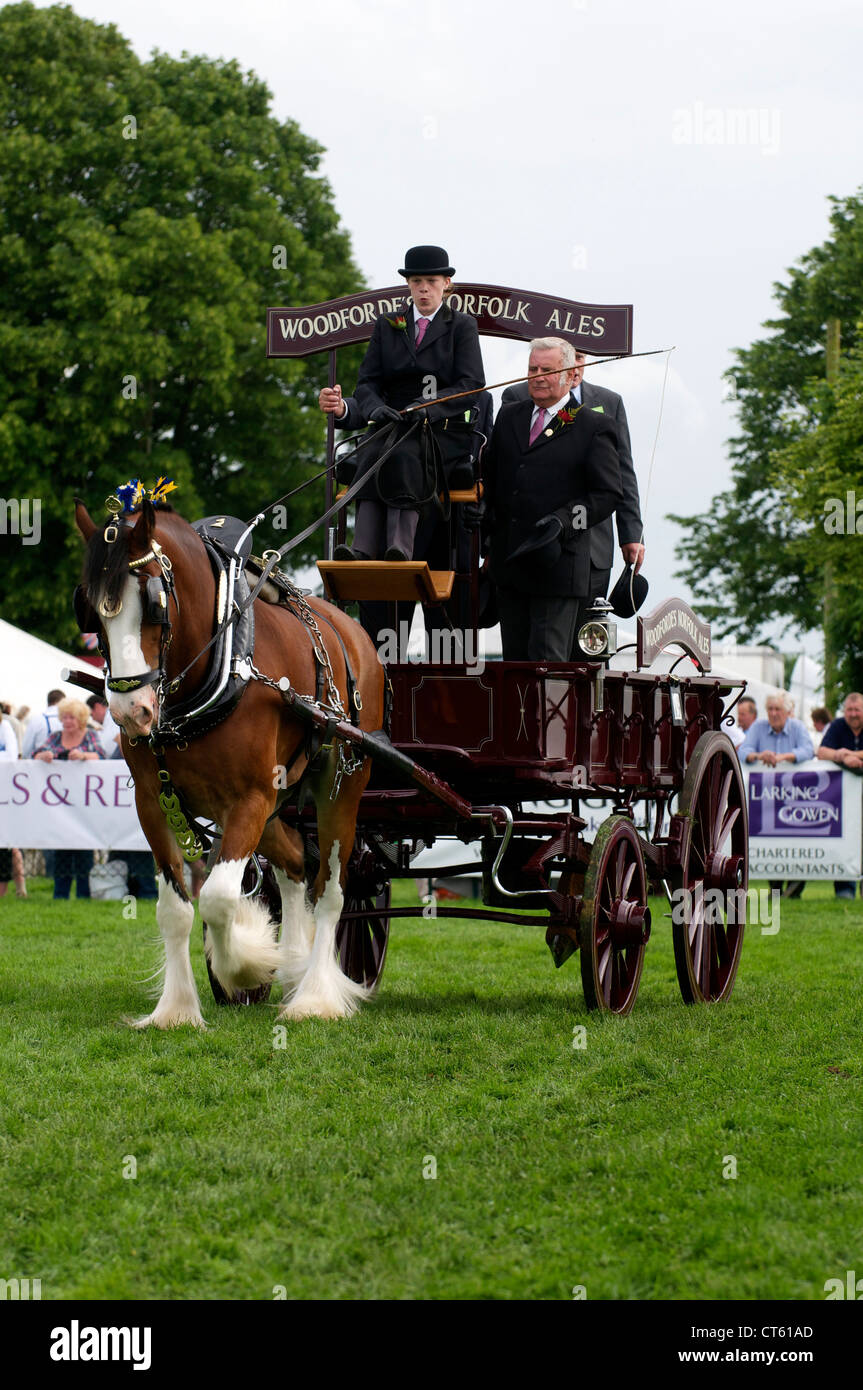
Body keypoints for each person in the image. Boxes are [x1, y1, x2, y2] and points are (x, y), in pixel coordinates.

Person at [337, 245, 485, 565]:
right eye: (417, 280)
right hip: (392, 421)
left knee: (403, 452)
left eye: (431, 281)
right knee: (371, 450)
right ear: (408, 284)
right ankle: (362, 548)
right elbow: (367, 382)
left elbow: (471, 385)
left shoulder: (461, 326)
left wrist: (427, 407)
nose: (423, 288)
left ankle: (400, 547)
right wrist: (375, 408)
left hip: (440, 428)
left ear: (446, 283)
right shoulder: (387, 324)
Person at [483, 337, 623, 660]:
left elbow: (607, 494)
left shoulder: (593, 425)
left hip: (557, 567)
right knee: (514, 669)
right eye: (532, 369)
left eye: (547, 369)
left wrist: (564, 522)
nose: (538, 376)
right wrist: (488, 542)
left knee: (548, 672)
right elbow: (492, 480)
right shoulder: (509, 417)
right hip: (510, 566)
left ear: (570, 375)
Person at [501, 348, 643, 635]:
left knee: (586, 642)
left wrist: (631, 533)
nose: (576, 366)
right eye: (571, 359)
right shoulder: (517, 398)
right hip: (541, 546)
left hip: (595, 549)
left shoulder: (609, 402)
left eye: (581, 358)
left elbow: (622, 472)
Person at [33, 699, 105, 900]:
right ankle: (60, 894)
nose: (67, 721)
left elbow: (101, 755)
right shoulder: (55, 737)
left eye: (71, 717)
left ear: (81, 719)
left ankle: (84, 894)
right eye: (64, 717)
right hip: (59, 806)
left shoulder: (90, 735)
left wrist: (83, 756)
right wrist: (43, 756)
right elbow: (35, 753)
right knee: (61, 850)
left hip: (84, 804)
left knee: (84, 851)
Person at [816, 693, 863, 899]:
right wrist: (841, 755)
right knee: (845, 838)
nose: (853, 714)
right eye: (849, 710)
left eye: (857, 710)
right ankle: (845, 889)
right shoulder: (837, 726)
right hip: (844, 800)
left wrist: (852, 755)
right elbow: (821, 751)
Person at [738, 693, 814, 767]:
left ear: (787, 712)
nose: (773, 713)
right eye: (770, 709)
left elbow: (808, 751)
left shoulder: (798, 726)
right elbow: (742, 751)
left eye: (777, 709)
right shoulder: (758, 726)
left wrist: (784, 757)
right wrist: (759, 756)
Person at [21, 689, 64, 758]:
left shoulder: (36, 719)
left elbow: (26, 749)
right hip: (66, 766)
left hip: (39, 765)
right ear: (63, 702)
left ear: (48, 702)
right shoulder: (72, 720)